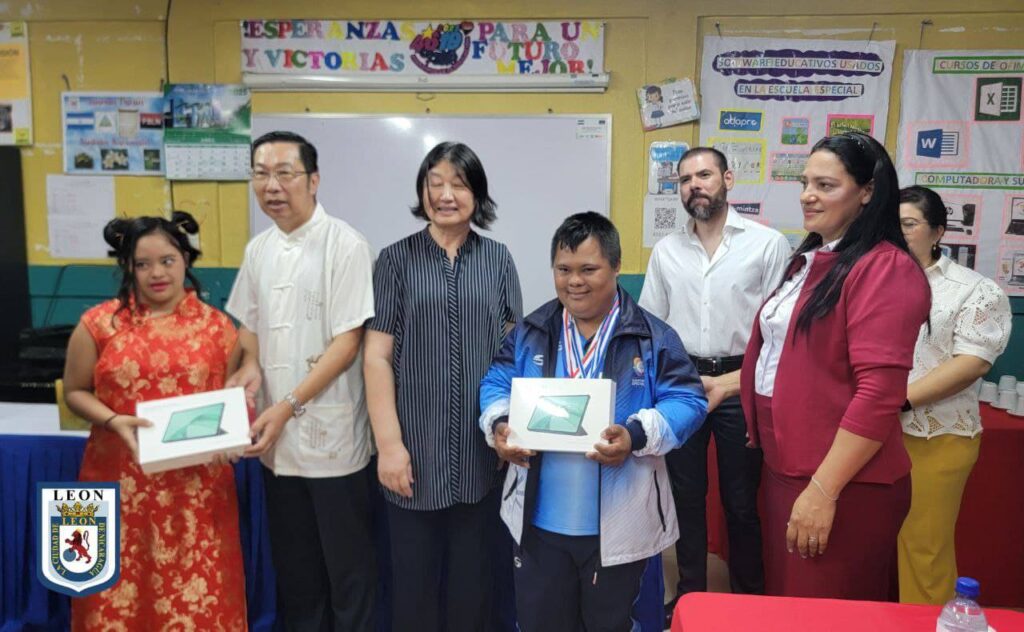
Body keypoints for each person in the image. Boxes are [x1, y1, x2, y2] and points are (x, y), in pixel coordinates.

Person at [479, 212, 707, 631]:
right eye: (563, 270)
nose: (574, 282)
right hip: (538, 525)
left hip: (619, 530)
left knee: (613, 624)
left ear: (616, 267)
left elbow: (688, 400)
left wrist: (636, 435)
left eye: (588, 269)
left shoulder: (652, 337)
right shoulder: (532, 330)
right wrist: (501, 424)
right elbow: (496, 380)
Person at [739, 132, 931, 599]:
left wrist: (823, 491)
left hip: (841, 481)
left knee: (828, 612)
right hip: (788, 466)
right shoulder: (813, 260)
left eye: (825, 185)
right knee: (793, 605)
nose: (808, 194)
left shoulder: (883, 268)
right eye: (806, 183)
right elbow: (795, 357)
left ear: (867, 192)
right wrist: (728, 384)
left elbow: (879, 394)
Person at [363, 142, 522, 631]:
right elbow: (376, 356)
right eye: (435, 183)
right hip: (412, 454)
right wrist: (389, 446)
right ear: (422, 191)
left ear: (477, 193)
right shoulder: (395, 260)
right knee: (413, 587)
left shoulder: (498, 260)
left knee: (473, 586)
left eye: (458, 184)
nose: (446, 194)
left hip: (479, 455)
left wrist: (505, 429)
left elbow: (513, 355)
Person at [64, 212, 246, 630]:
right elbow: (75, 390)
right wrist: (113, 420)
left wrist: (237, 432)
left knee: (198, 599)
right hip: (117, 480)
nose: (156, 273)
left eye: (167, 260)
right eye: (142, 264)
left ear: (186, 259)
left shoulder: (219, 328)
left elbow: (234, 399)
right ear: (128, 267)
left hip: (196, 491)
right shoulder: (99, 324)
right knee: (112, 599)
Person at [225, 131, 377, 630]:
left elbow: (347, 342)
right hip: (276, 446)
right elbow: (249, 325)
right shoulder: (258, 249)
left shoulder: (346, 244)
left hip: (333, 445)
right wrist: (247, 365)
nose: (272, 186)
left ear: (313, 180)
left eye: (284, 173)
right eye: (261, 174)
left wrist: (287, 404)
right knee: (297, 575)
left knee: (347, 575)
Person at [640, 147, 789, 613]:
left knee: (741, 501)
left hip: (741, 383)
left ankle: (749, 600)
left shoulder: (767, 244)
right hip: (682, 385)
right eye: (684, 180)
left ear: (727, 179)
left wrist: (735, 382)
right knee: (686, 497)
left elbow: (780, 330)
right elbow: (651, 325)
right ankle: (690, 596)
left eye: (703, 175)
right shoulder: (667, 251)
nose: (694, 186)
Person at [896, 185, 1012, 605]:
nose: (897, 231)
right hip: (869, 434)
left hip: (935, 434)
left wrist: (897, 400)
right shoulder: (871, 279)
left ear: (938, 231)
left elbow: (973, 362)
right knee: (872, 543)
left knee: (924, 547)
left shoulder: (972, 289)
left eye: (908, 224)